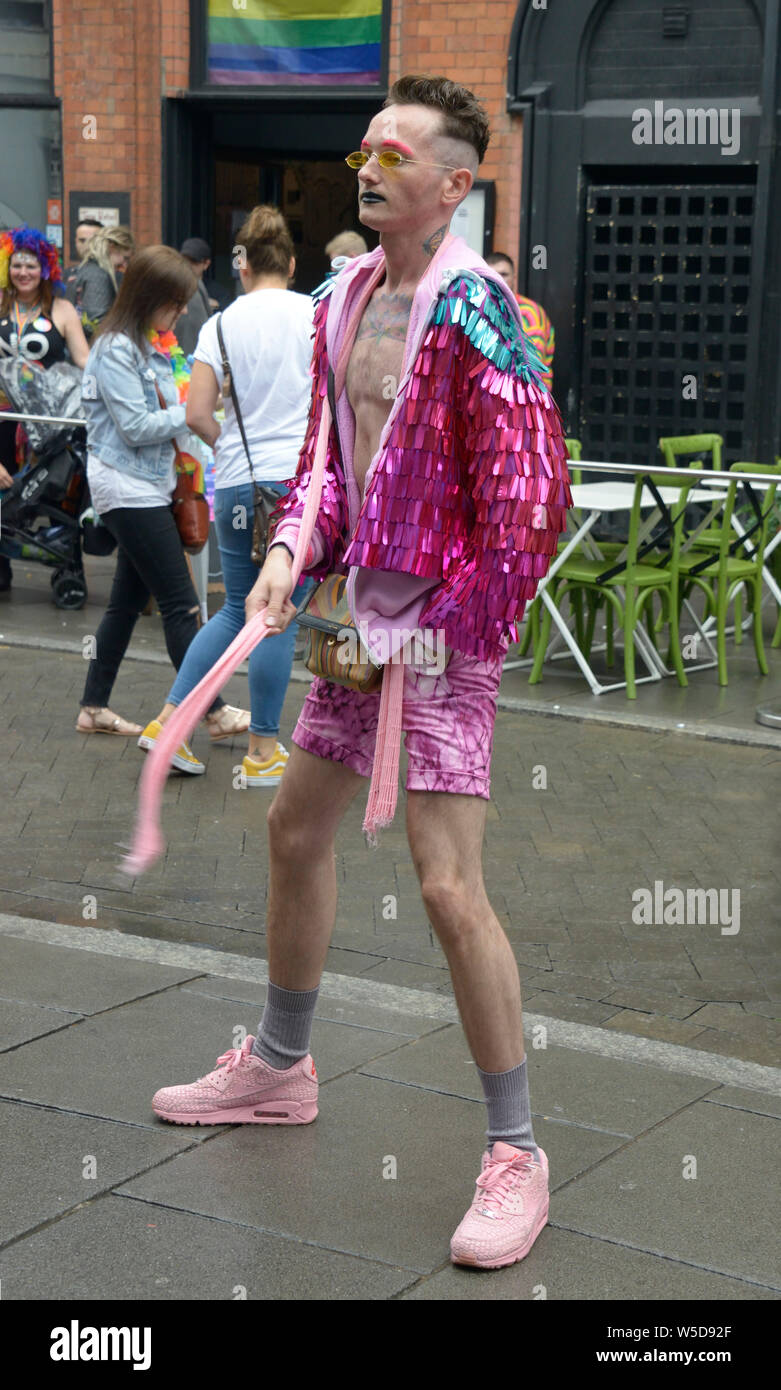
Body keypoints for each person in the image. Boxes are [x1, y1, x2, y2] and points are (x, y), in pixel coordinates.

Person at [151, 76, 571, 1270]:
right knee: (293, 827)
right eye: (364, 145)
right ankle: (280, 1065)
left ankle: (517, 1148)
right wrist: (290, 551)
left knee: (446, 885)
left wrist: (449, 627)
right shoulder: (345, 298)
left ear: (453, 185)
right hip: (355, 621)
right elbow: (333, 465)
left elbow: (528, 508)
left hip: (445, 636)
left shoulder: (484, 315)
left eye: (398, 152)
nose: (370, 163)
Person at [139, 207, 314, 783]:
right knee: (275, 616)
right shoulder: (315, 314)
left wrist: (231, 448)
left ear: (241, 267)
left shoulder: (219, 324)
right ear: (289, 263)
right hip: (294, 485)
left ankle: (170, 722)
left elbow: (196, 414)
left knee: (238, 609)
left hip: (237, 482)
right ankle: (263, 751)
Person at [76, 244, 234, 744]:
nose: (183, 311)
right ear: (149, 298)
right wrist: (194, 413)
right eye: (176, 301)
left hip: (145, 485)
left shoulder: (148, 343)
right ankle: (213, 711)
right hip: (127, 487)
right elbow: (137, 425)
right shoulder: (117, 349)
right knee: (181, 605)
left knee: (125, 605)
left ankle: (93, 706)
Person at [0, 225, 89, 590]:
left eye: (31, 266)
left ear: (46, 269)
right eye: (17, 265)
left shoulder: (62, 309)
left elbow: (85, 361)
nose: (23, 273)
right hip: (4, 419)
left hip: (49, 424)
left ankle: (68, 567)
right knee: (5, 492)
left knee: (57, 497)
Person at [485, 251, 555, 392]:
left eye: (504, 274)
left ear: (514, 278)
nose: (497, 279)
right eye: (492, 274)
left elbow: (530, 367)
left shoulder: (529, 312)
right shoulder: (480, 309)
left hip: (529, 399)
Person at [67, 226, 135, 342]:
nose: (124, 264)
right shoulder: (98, 275)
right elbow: (96, 323)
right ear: (112, 247)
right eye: (125, 258)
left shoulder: (86, 269)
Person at [176, 237, 218, 357]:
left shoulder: (213, 289)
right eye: (184, 260)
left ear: (206, 264)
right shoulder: (175, 282)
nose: (188, 265)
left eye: (193, 261)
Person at [65, 218, 103, 287]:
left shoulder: (115, 277)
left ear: (103, 243)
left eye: (93, 241)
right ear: (76, 242)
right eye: (82, 240)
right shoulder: (65, 277)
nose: (87, 246)